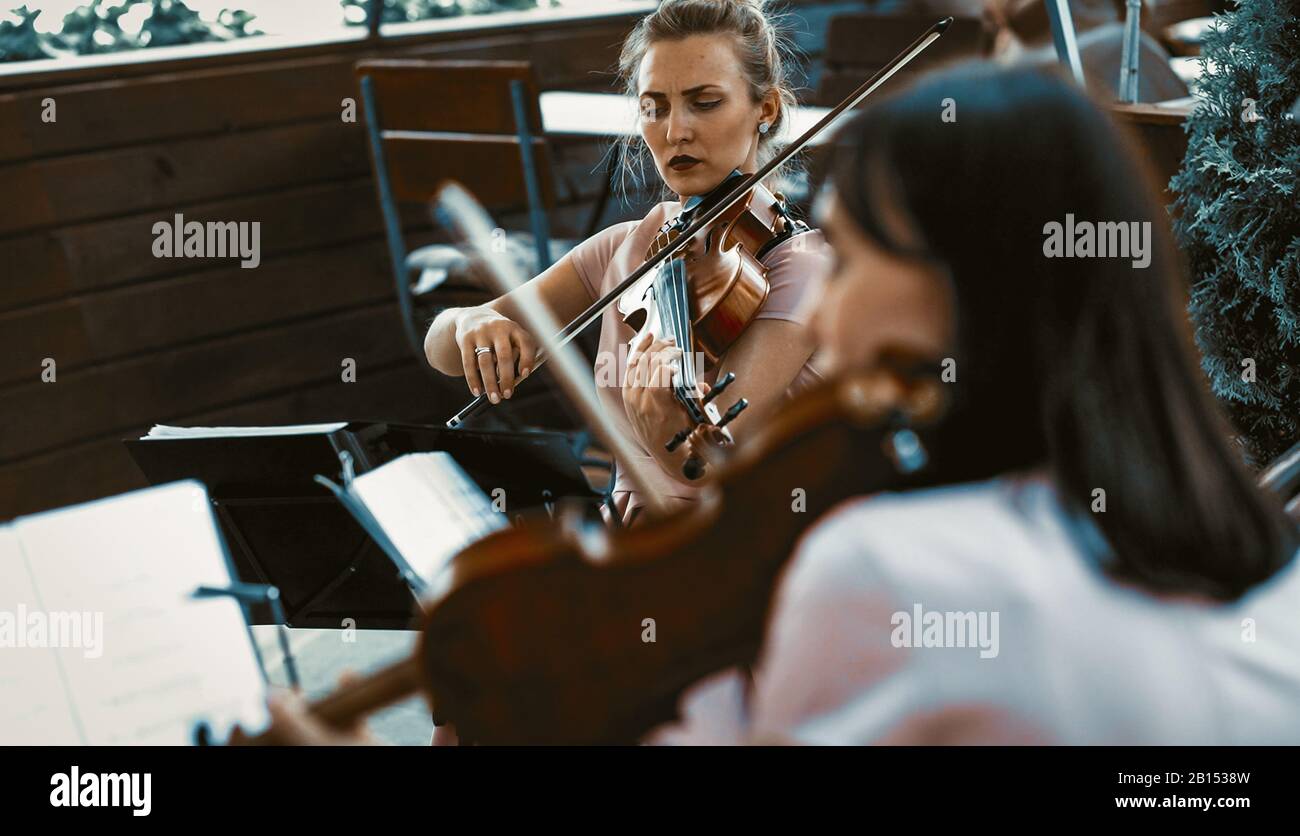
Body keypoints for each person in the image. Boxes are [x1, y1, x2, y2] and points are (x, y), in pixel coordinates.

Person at [243, 62, 1300, 746]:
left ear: (956, 285)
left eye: (862, 246)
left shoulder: (886, 564)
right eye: (652, 104)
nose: (832, 291)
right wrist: (478, 325)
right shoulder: (1261, 574)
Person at [649, 62, 1300, 744]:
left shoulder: (884, 570)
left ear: (970, 285)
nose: (816, 316)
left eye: (842, 260)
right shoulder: (1273, 581)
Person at [422, 0, 831, 526]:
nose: (675, 130)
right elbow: (442, 352)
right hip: (628, 543)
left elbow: (713, 470)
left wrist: (661, 425)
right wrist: (471, 320)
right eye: (654, 106)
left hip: (739, 555)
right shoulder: (626, 249)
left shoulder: (800, 269)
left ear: (766, 109)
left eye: (704, 102)